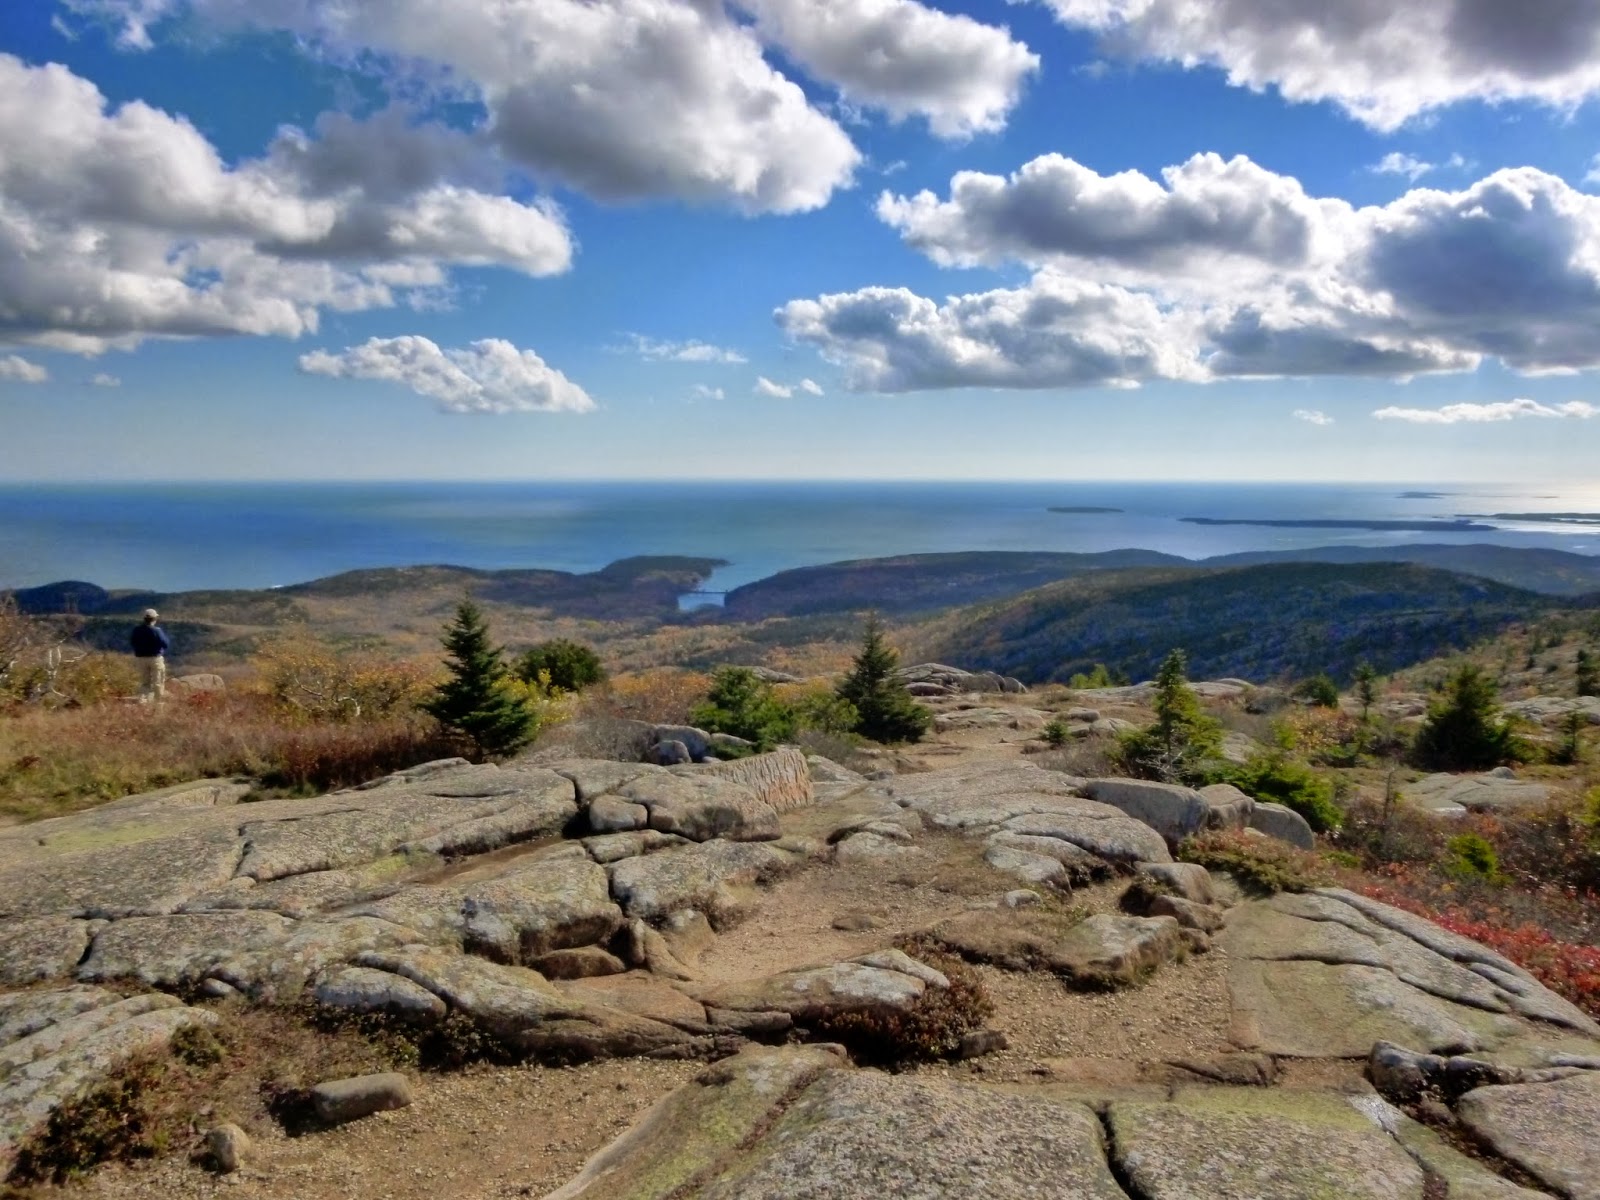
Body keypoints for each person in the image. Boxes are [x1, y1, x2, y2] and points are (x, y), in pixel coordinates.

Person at [131, 608, 169, 701]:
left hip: (141, 658)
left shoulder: (137, 630)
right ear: (155, 619)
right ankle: (158, 702)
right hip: (155, 658)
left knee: (145, 682)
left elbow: (132, 642)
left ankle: (143, 700)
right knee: (158, 681)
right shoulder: (157, 631)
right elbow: (165, 644)